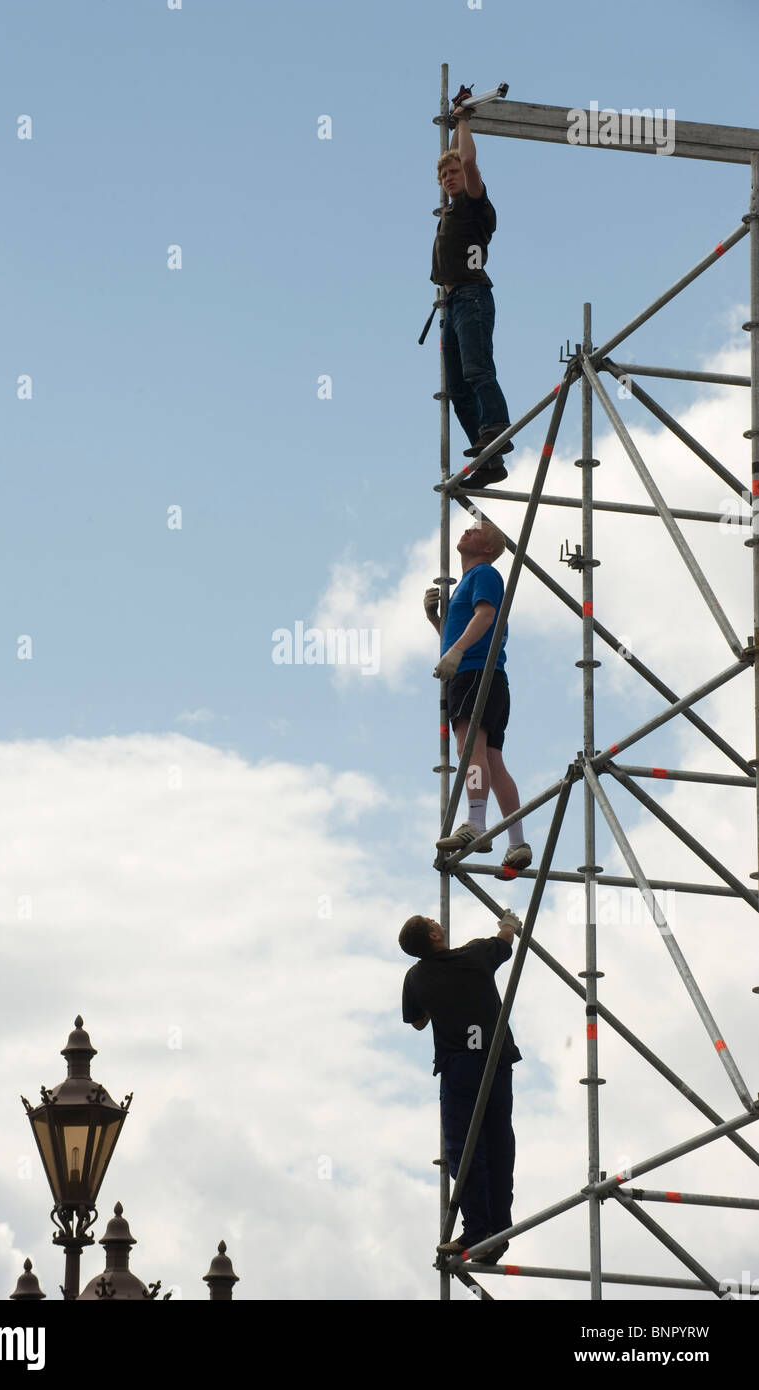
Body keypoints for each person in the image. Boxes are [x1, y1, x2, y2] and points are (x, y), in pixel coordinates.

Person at [399, 907, 522, 1261]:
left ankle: (478, 1230)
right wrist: (508, 923)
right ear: (434, 936)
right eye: (433, 922)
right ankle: (498, 1231)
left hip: (460, 1068)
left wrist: (444, 1002)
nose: (438, 922)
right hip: (496, 1060)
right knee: (499, 1144)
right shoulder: (475, 954)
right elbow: (504, 941)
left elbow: (419, 1022)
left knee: (465, 1149)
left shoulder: (415, 976)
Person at [426, 518, 531, 875]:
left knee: (468, 748)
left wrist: (455, 653)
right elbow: (467, 629)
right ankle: (516, 842)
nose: (469, 530)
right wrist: (436, 620)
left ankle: (476, 824)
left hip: (474, 673)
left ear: (488, 548)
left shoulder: (484, 573)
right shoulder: (471, 582)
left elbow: (486, 617)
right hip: (484, 674)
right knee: (491, 759)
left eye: (478, 531)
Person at [432, 84, 512, 487]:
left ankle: (497, 427)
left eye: (453, 174)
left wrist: (462, 119)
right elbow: (451, 156)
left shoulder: (474, 201)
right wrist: (451, 122)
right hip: (451, 305)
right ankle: (489, 461)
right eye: (443, 175)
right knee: (458, 388)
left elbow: (467, 160)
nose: (449, 178)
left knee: (478, 369)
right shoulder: (450, 209)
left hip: (472, 298)